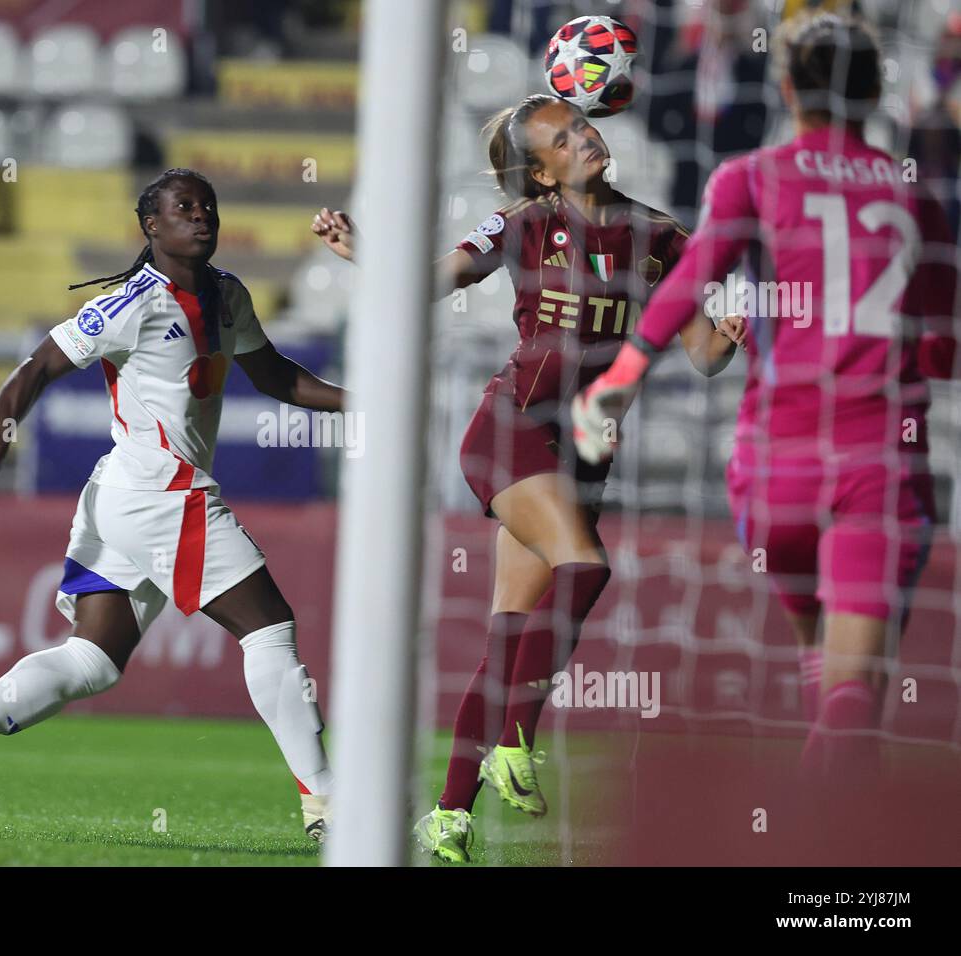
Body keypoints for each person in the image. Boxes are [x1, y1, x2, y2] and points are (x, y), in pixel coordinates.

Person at [313, 95, 744, 862]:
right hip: (512, 427)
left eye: (582, 125)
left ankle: (448, 816)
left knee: (510, 632)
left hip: (586, 452)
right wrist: (363, 252)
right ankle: (515, 741)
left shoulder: (662, 237)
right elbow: (433, 281)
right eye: (562, 138)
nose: (584, 137)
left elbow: (705, 355)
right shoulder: (520, 226)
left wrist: (730, 340)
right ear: (538, 171)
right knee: (587, 565)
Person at [0, 168, 345, 842]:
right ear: (152, 226)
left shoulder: (229, 296)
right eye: (183, 207)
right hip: (158, 494)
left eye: (208, 206)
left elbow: (273, 373)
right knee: (269, 627)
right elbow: (38, 367)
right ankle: (328, 807)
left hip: (122, 499)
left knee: (93, 660)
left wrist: (357, 399)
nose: (201, 217)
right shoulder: (133, 302)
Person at [573, 13, 959, 784]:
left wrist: (623, 375)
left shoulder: (750, 177)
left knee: (828, 669)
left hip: (774, 472)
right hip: (875, 462)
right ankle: (830, 864)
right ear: (876, 90)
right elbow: (942, 351)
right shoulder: (914, 201)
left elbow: (692, 275)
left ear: (787, 87)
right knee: (857, 697)